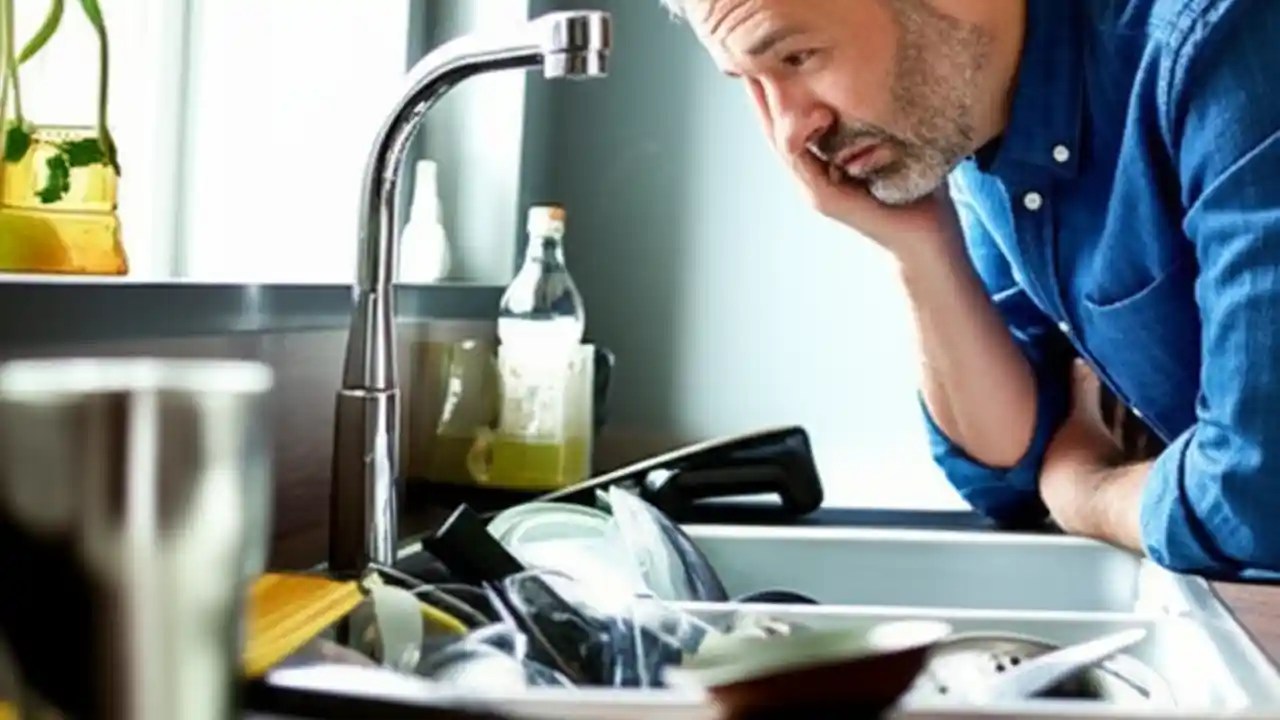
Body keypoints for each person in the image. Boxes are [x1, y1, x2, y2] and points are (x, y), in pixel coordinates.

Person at [661, 0, 1280, 580]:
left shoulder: (1225, 43)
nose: (792, 132)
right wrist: (921, 250)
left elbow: (1257, 497)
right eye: (749, 81)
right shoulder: (977, 110)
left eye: (796, 58)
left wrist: (1085, 493)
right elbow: (1008, 471)